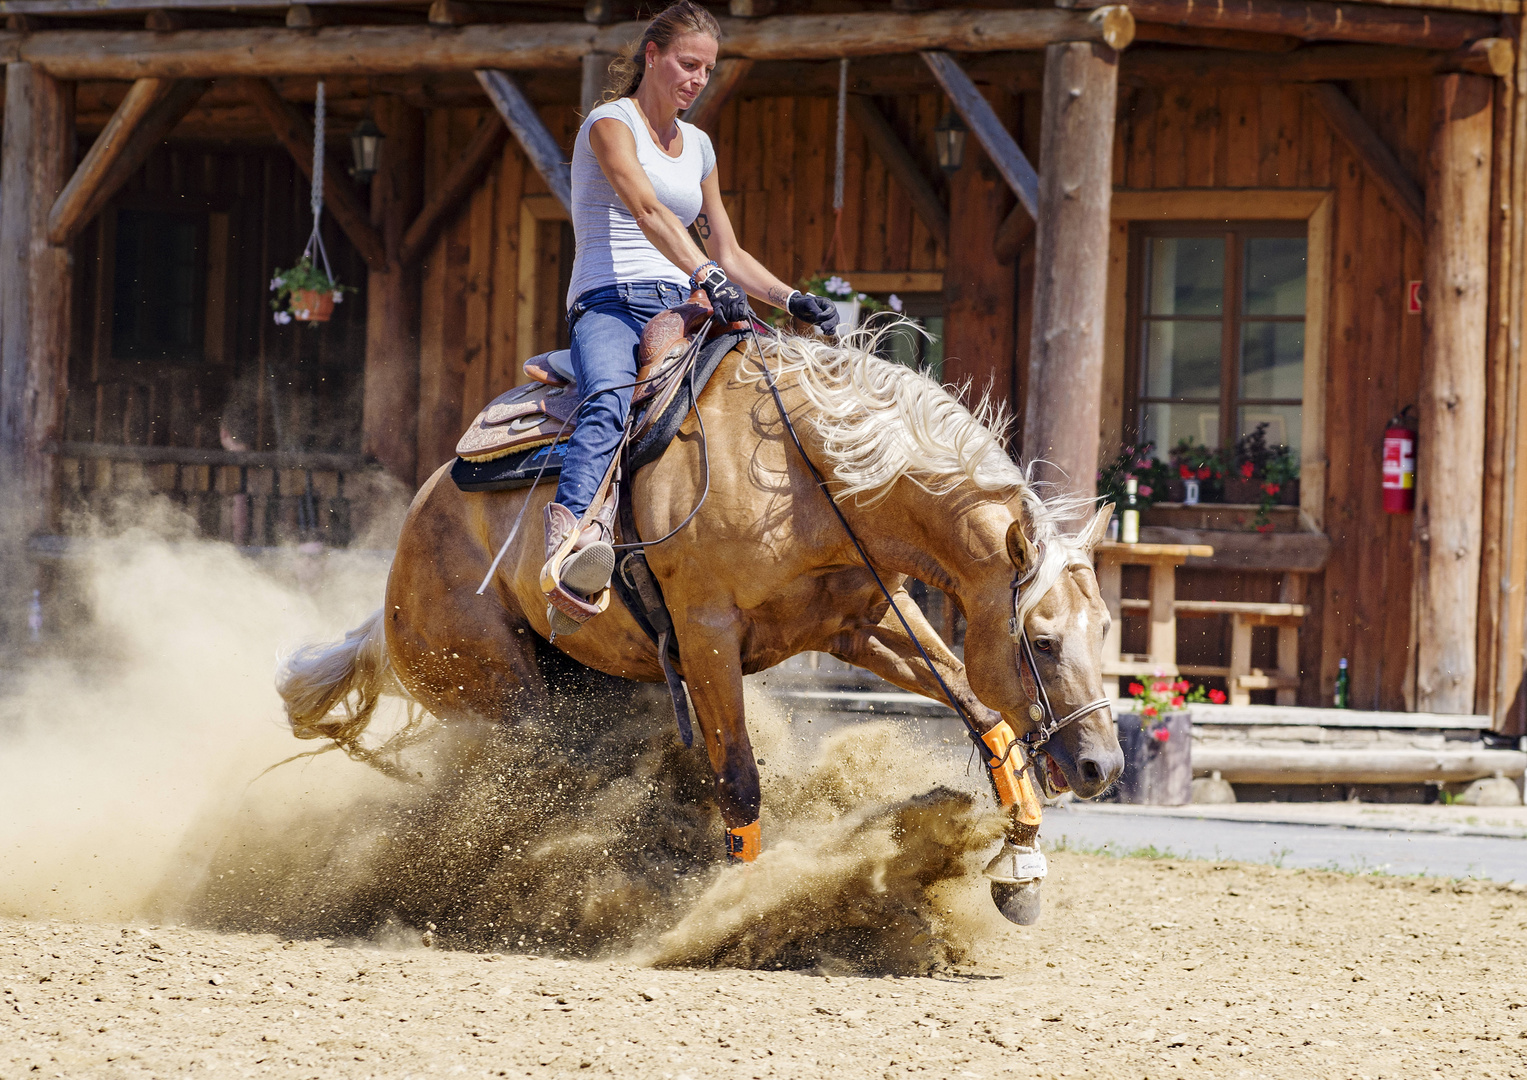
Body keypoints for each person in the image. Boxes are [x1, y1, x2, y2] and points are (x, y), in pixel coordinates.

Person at [542, 0, 838, 630]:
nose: (697, 79)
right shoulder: (608, 124)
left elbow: (727, 251)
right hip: (610, 303)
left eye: (707, 69)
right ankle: (568, 547)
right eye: (687, 64)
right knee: (609, 398)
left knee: (773, 384)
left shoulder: (698, 146)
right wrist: (703, 272)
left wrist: (790, 298)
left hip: (688, 302)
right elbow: (649, 211)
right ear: (652, 55)